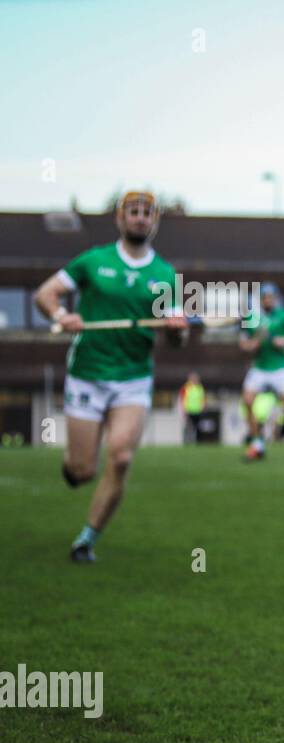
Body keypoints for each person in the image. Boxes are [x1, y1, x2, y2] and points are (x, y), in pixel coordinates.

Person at [33, 190, 188, 563]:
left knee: (120, 458)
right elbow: (45, 294)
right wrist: (60, 316)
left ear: (155, 222)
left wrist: (174, 327)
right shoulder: (93, 261)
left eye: (147, 213)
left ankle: (86, 540)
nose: (139, 218)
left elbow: (177, 342)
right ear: (119, 219)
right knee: (82, 470)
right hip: (88, 373)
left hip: (133, 378)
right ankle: (74, 466)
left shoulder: (165, 275)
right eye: (132, 211)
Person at [240, 283, 284, 462]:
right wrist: (253, 344)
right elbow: (243, 343)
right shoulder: (252, 317)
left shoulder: (283, 315)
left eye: (271, 297)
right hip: (260, 366)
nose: (267, 300)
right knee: (247, 401)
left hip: (281, 367)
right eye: (264, 297)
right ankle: (257, 444)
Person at [179, 371, 206, 444]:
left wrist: (202, 407)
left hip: (197, 411)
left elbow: (202, 399)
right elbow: (182, 399)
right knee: (188, 427)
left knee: (196, 427)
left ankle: (196, 442)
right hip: (189, 410)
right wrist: (184, 409)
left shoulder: (200, 388)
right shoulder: (186, 387)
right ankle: (186, 442)